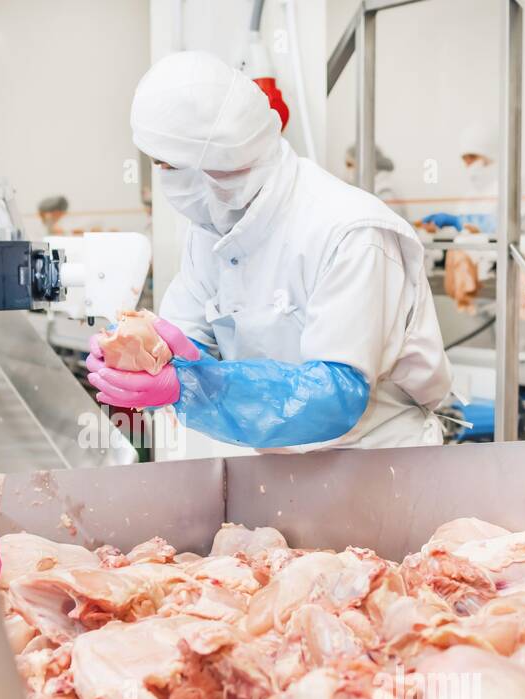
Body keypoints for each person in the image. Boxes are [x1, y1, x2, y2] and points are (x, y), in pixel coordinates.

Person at [88, 51, 451, 450]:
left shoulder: (350, 231)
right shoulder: (210, 231)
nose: (162, 178)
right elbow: (185, 333)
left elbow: (336, 398)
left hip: (377, 465)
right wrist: (139, 355)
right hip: (275, 466)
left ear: (214, 164)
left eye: (166, 165)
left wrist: (190, 384)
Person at [419, 121, 525, 234]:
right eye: (465, 159)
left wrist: (459, 222)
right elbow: (460, 231)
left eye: (473, 157)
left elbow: (518, 228)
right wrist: (438, 229)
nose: (468, 165)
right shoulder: (473, 192)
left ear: (493, 154)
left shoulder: (522, 183)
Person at [344, 143, 407, 221]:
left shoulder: (385, 191)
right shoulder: (374, 186)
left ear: (365, 163)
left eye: (349, 165)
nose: (346, 170)